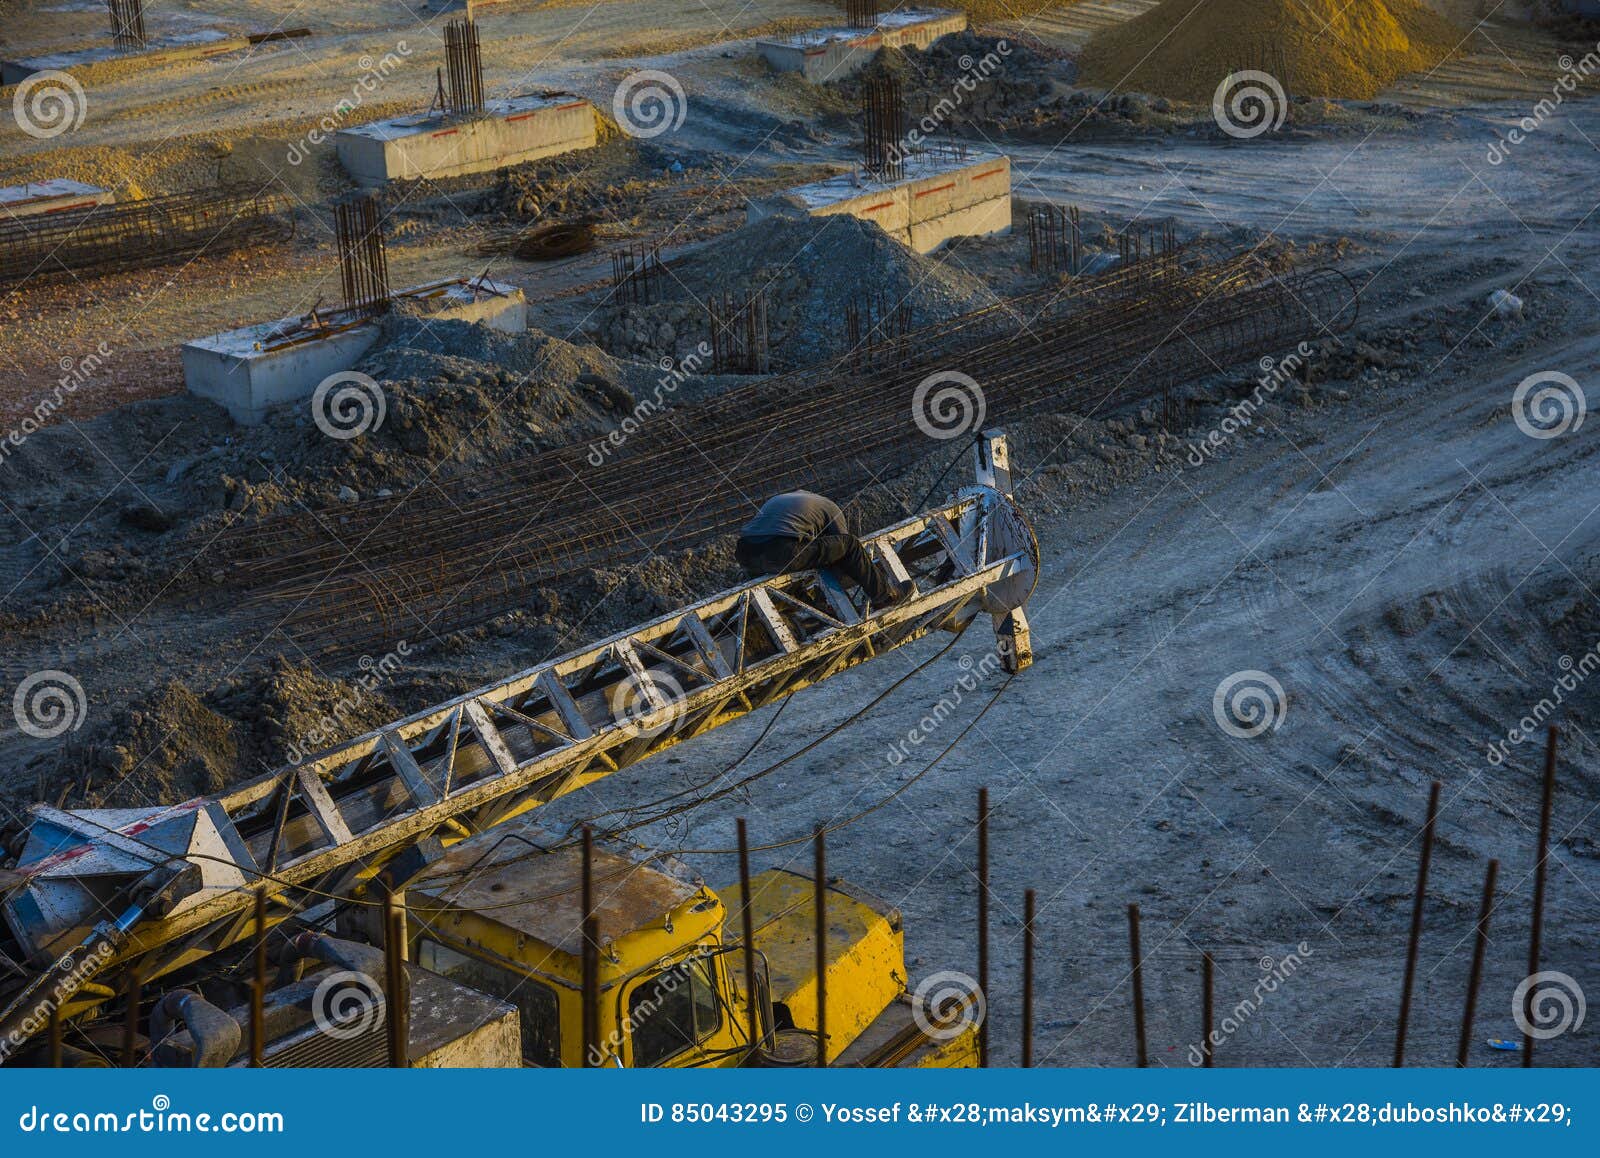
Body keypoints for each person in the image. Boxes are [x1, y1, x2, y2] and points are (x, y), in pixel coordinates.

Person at [735, 490, 912, 605]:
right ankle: (885, 596)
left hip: (745, 553)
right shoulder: (831, 508)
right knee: (850, 544)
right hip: (781, 551)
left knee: (797, 564)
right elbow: (844, 551)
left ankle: (793, 607)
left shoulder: (786, 501)